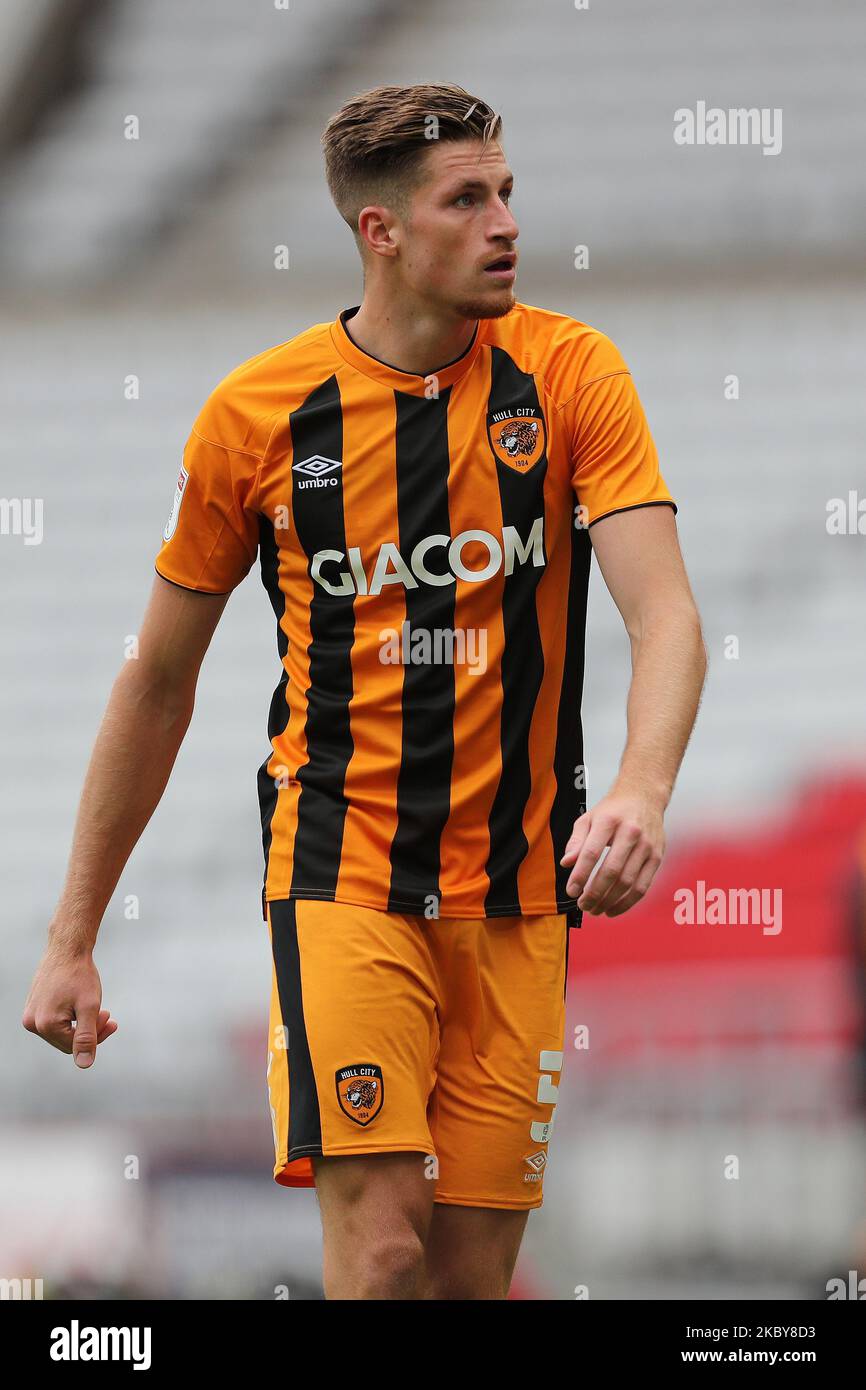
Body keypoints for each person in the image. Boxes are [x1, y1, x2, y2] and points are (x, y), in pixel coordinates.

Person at [22, 82, 707, 1300]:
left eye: (506, 193)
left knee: (466, 1278)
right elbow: (156, 683)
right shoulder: (256, 417)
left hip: (517, 895)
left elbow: (664, 614)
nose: (503, 222)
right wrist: (73, 938)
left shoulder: (569, 376)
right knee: (382, 1250)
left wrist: (644, 793)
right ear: (379, 231)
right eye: (466, 199)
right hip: (341, 876)